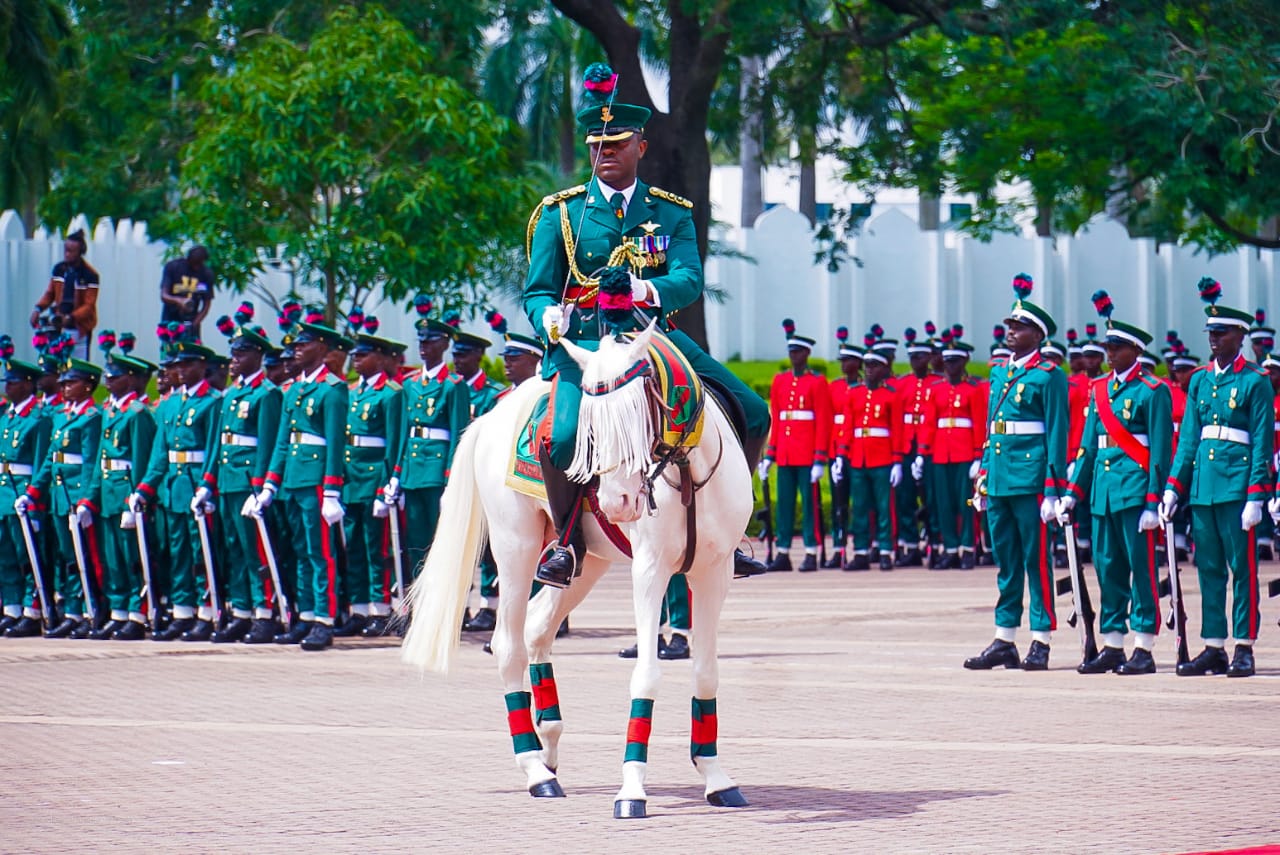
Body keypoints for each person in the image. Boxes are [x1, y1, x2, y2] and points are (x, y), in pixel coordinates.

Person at [523, 62, 770, 588]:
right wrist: (546, 314)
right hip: (584, 345)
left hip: (653, 339)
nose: (604, 154)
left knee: (753, 410)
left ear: (641, 147)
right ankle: (565, 544)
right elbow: (538, 287)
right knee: (560, 438)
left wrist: (644, 289)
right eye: (597, 146)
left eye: (616, 144)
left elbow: (688, 278)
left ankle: (733, 528)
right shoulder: (561, 214)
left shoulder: (671, 212)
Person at [1058, 293, 1172, 674]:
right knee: (1107, 570)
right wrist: (1073, 493)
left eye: (1116, 347)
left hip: (1136, 491)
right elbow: (1089, 447)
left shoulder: (1153, 391)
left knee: (1141, 570)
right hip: (1104, 493)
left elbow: (1159, 450)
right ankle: (1113, 643)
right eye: (1108, 346)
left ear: (1135, 351)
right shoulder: (1099, 390)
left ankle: (1144, 645)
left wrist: (1154, 501)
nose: (1109, 353)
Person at [1165, 278, 1272, 678]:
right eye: (1210, 332)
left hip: (1236, 485)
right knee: (1208, 568)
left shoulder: (1254, 382)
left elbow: (1262, 441)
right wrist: (1175, 487)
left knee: (1241, 569)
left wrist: (1257, 495)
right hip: (1204, 487)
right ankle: (1214, 645)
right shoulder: (1199, 381)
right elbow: (1189, 439)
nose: (1213, 339)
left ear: (1240, 337)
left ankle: (1243, 645)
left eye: (1221, 332)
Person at [965, 274, 1067, 671]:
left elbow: (1057, 433)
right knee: (1006, 561)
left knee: (1035, 559)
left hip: (1031, 481)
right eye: (1009, 325)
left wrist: (1053, 489)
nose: (1010, 331)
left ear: (1037, 335)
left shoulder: (1049, 375)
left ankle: (1040, 638)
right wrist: (984, 470)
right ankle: (1004, 637)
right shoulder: (999, 373)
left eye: (1019, 326)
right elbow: (994, 427)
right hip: (1001, 478)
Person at [253, 318, 351, 651]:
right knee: (299, 551)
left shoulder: (333, 389)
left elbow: (336, 443)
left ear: (322, 349)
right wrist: (270, 485)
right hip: (293, 478)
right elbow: (283, 441)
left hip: (316, 481)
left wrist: (333, 490)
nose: (296, 349)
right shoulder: (293, 389)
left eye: (303, 344)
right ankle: (307, 615)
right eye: (295, 344)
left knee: (320, 552)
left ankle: (324, 619)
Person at [196, 310, 283, 644]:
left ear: (258, 355)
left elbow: (267, 443)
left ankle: (265, 613)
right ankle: (242, 612)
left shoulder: (267, 394)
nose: (234, 359)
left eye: (242, 353)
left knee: (256, 550)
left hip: (249, 484)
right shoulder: (230, 395)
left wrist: (261, 487)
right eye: (233, 353)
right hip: (229, 482)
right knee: (233, 548)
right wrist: (208, 483)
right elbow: (218, 444)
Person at [130, 329, 221, 641]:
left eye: (186, 365)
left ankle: (207, 610)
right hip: (173, 487)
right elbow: (160, 453)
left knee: (201, 553)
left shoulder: (212, 402)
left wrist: (208, 486)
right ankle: (183, 611)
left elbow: (214, 450)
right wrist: (145, 488)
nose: (179, 371)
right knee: (178, 551)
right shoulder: (169, 405)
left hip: (196, 485)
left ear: (201, 367)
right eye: (176, 366)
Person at [19, 357, 106, 638]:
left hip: (76, 497)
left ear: (88, 386)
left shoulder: (91, 418)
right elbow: (49, 459)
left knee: (84, 557)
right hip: (59, 496)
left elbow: (92, 463)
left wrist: (87, 501)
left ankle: (91, 610)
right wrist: (33, 492)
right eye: (64, 382)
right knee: (66, 557)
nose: (65, 387)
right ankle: (72, 611)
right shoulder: (61, 415)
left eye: (72, 382)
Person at [382, 313, 470, 584]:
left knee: (440, 538)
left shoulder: (453, 385)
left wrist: (451, 479)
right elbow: (403, 435)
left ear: (444, 344)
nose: (423, 346)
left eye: (430, 341)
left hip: (436, 471)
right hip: (412, 471)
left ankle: (446, 594)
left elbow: (458, 436)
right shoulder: (409, 385)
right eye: (421, 341)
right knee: (415, 540)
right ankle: (418, 596)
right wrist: (396, 475)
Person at [86, 335, 157, 640]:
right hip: (108, 491)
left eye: (114, 378)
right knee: (112, 557)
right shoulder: (110, 412)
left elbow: (141, 460)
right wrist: (90, 498)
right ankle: (118, 612)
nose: (109, 383)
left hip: (127, 493)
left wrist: (137, 498)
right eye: (108, 378)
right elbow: (100, 460)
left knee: (131, 557)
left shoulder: (137, 414)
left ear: (129, 379)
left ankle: (137, 613)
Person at [340, 315, 404, 639]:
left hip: (374, 477)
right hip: (351, 479)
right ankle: (360, 608)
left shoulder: (390, 394)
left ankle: (380, 609)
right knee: (353, 546)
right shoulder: (352, 392)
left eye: (362, 355)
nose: (356, 360)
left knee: (375, 549)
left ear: (379, 358)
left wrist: (390, 482)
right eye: (355, 355)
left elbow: (394, 442)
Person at [758, 323, 832, 573]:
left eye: (799, 352)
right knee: (784, 505)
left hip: (808, 455)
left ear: (807, 354)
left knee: (811, 506)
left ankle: (811, 551)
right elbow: (777, 420)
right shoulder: (780, 382)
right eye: (792, 352)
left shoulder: (817, 383)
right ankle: (783, 551)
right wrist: (770, 454)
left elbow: (823, 422)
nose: (794, 356)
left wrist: (820, 459)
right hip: (786, 455)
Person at [834, 333, 901, 571]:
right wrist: (841, 456)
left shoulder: (891, 396)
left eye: (875, 366)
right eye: (867, 366)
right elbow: (847, 427)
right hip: (858, 459)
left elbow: (897, 430)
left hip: (882, 459)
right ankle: (860, 552)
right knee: (859, 507)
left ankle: (885, 551)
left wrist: (897, 462)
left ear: (884, 369)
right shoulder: (854, 394)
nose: (870, 370)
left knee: (884, 508)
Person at [923, 339, 987, 569]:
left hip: (964, 453)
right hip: (941, 453)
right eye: (947, 361)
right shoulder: (936, 390)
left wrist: (978, 455)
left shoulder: (973, 390)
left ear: (964, 362)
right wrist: (923, 453)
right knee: (944, 503)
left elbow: (979, 424)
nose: (950, 366)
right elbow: (929, 423)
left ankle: (967, 547)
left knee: (966, 502)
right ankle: (950, 548)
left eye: (955, 361)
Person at [0, 352, 52, 637]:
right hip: (4, 495)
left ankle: (33, 611)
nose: (7, 387)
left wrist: (33, 496)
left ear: (28, 385)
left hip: (23, 495)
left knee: (28, 556)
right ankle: (12, 608)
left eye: (14, 382)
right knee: (5, 555)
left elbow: (43, 460)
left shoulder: (38, 419)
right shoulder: (7, 417)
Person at [895, 327, 942, 567]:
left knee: (932, 498)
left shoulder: (937, 383)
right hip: (907, 445)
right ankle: (911, 547)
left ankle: (935, 544)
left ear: (929, 358)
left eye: (920, 357)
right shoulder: (903, 384)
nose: (916, 362)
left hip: (930, 447)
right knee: (906, 497)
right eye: (912, 357)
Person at [824, 328, 863, 567]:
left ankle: (862, 546)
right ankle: (838, 547)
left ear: (857, 363)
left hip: (858, 450)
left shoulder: (863, 387)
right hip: (836, 449)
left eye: (847, 361)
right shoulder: (834, 387)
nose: (843, 365)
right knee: (839, 504)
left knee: (859, 502)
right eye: (841, 360)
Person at [31, 230, 99, 359]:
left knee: (78, 364)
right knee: (55, 361)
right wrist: (38, 309)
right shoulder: (59, 270)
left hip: (79, 326)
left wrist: (72, 317)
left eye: (71, 251)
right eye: (66, 250)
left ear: (80, 252)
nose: (67, 254)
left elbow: (89, 305)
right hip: (59, 322)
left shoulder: (90, 275)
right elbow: (50, 294)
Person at [159, 247, 214, 336]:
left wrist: (195, 323)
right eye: (194, 263)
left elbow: (206, 304)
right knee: (171, 348)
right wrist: (179, 301)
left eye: (199, 264)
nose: (196, 267)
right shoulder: (173, 267)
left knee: (192, 348)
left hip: (192, 320)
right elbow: (164, 295)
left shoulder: (206, 274)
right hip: (170, 320)